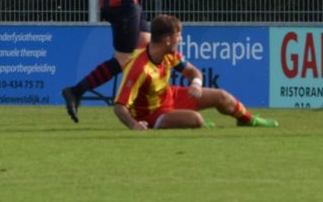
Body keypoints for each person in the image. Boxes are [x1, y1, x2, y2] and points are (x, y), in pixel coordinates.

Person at [113, 14, 278, 131]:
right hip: (151, 114)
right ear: (167, 40)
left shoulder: (168, 55)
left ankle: (249, 121)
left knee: (221, 96)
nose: (181, 39)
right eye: (179, 36)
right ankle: (195, 123)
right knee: (196, 119)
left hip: (170, 96)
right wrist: (134, 125)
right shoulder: (140, 67)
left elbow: (193, 72)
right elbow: (119, 106)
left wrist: (196, 84)